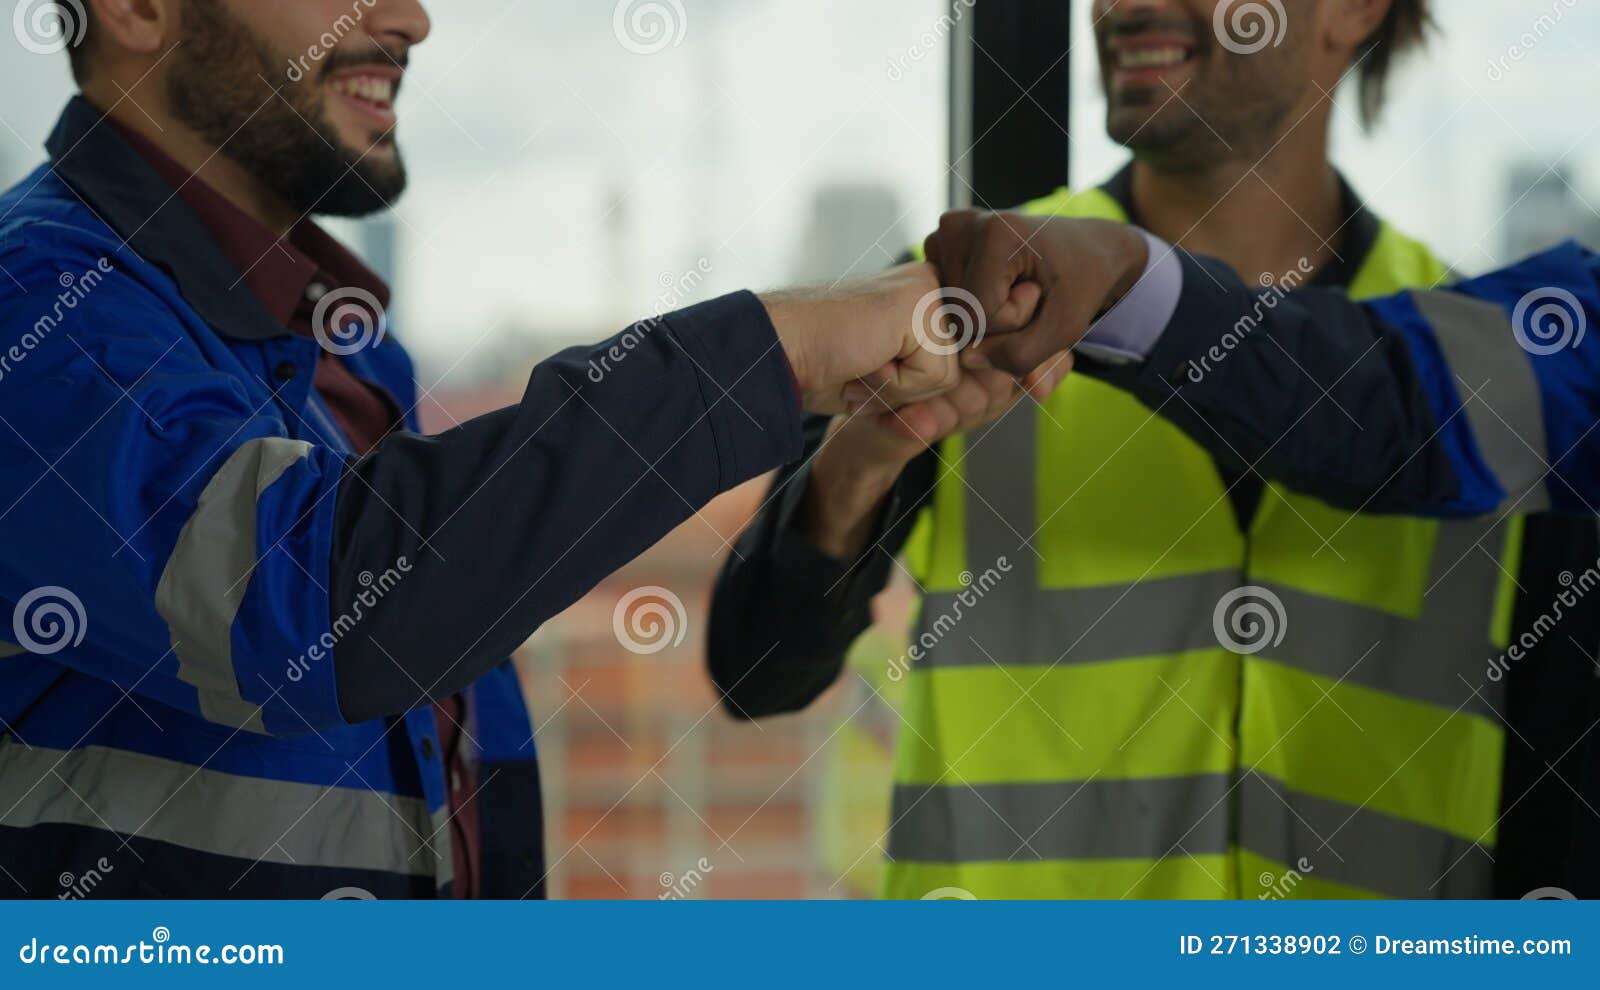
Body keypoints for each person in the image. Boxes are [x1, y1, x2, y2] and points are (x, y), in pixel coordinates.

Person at [0, 0, 1016, 899]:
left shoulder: (331, 353)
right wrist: (774, 347)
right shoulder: (36, 303)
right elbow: (305, 605)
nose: (410, 19)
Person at [710, 0, 1594, 900]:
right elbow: (757, 672)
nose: (1125, 6)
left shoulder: (1489, 383)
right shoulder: (975, 289)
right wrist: (854, 467)